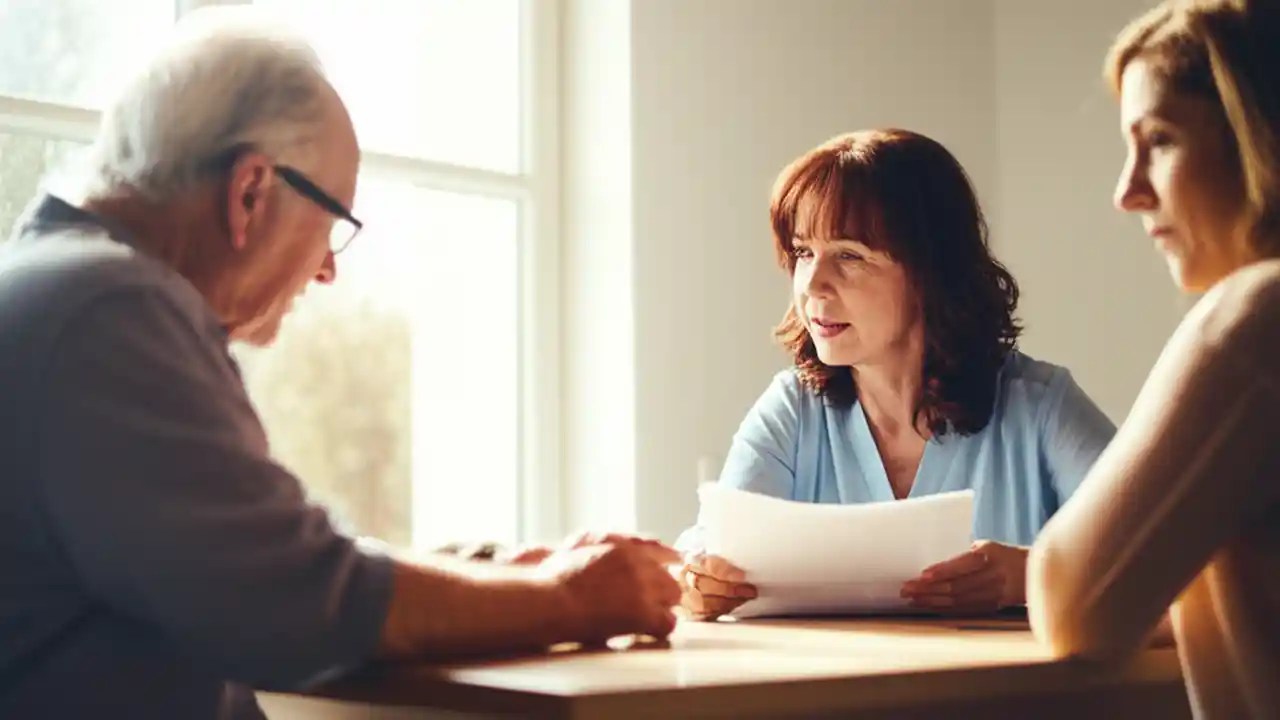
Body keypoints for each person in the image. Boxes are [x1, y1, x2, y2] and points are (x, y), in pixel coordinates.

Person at [0, 8, 679, 719]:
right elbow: (295, 601)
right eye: (334, 223)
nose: (327, 269)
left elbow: (266, 557)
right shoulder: (113, 309)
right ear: (250, 192)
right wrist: (572, 599)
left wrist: (492, 580)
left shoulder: (52, 287)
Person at [676, 129, 1116, 621]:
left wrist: (1027, 575)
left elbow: (1155, 552)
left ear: (931, 272)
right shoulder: (792, 411)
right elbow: (713, 544)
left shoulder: (1042, 407)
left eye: (849, 255)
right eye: (803, 253)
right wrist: (696, 579)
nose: (813, 285)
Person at [1026, 1, 1280, 718]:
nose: (1127, 191)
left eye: (1159, 140)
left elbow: (1076, 607)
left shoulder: (1257, 319)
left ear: (1260, 131)